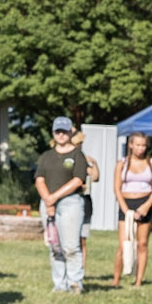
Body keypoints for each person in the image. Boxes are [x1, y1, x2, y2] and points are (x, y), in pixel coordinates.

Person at [36, 118, 90, 294]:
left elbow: (78, 180)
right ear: (53, 133)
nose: (61, 134)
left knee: (71, 246)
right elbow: (39, 179)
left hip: (70, 203)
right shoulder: (46, 156)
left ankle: (75, 283)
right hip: (48, 203)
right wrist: (47, 199)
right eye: (57, 131)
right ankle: (59, 284)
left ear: (70, 133)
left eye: (64, 131)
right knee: (55, 247)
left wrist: (54, 197)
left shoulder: (77, 155)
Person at [114, 131, 152, 288]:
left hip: (145, 203)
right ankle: (116, 279)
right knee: (124, 244)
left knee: (142, 243)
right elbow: (117, 188)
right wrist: (125, 208)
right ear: (131, 145)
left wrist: (146, 206)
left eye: (143, 145)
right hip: (126, 203)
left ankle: (138, 280)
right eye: (137, 145)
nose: (140, 148)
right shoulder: (122, 164)